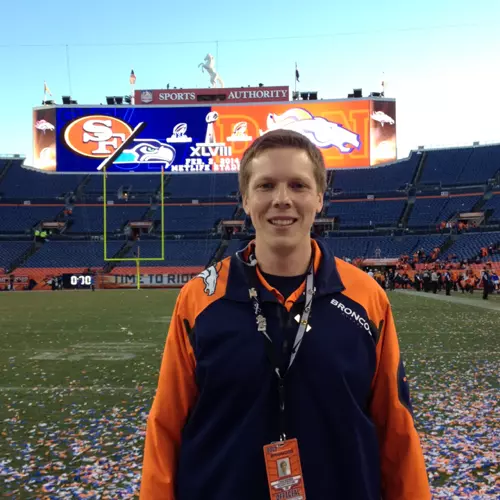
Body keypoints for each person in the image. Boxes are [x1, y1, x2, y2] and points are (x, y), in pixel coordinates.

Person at [140, 130, 431, 500]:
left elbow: (396, 428)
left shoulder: (366, 297)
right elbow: (166, 425)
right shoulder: (199, 298)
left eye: (298, 185)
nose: (282, 199)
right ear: (245, 199)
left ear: (320, 198)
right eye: (265, 186)